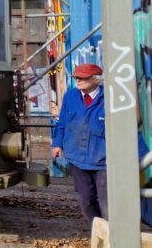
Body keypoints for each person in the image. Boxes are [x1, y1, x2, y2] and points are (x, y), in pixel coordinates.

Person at [51, 62, 149, 223]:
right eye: (76, 77)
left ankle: (112, 236)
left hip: (104, 161)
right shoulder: (71, 96)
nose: (78, 80)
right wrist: (57, 144)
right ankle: (98, 231)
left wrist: (142, 155)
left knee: (107, 203)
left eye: (83, 77)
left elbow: (128, 128)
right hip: (77, 158)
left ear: (96, 79)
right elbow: (62, 123)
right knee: (86, 200)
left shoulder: (111, 99)